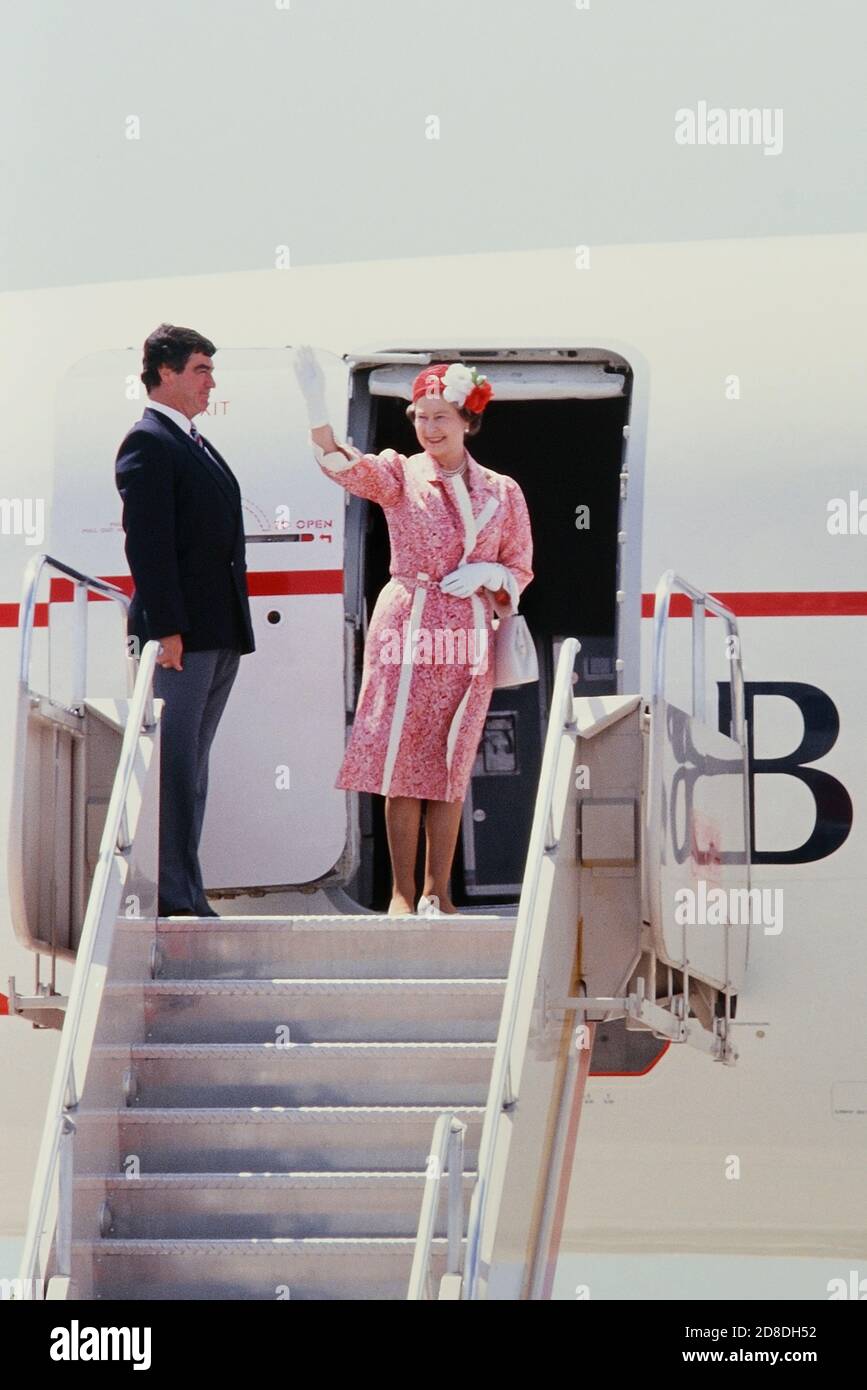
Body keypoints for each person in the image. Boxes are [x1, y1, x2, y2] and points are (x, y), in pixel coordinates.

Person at [293, 346, 533, 917]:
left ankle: (439, 893)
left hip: (466, 633)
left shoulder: (502, 491)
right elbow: (341, 465)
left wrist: (492, 572)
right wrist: (313, 406)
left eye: (439, 417)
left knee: (450, 762)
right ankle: (403, 895)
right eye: (420, 417)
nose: (427, 427)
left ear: (467, 422)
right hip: (408, 626)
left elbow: (520, 567)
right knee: (403, 759)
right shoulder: (401, 474)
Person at [115, 323, 255, 917]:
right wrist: (167, 629)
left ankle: (188, 893)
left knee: (194, 769)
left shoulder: (192, 441)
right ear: (164, 372)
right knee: (176, 768)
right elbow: (147, 544)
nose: (210, 382)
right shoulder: (148, 441)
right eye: (201, 369)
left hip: (217, 632)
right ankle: (174, 898)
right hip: (183, 637)